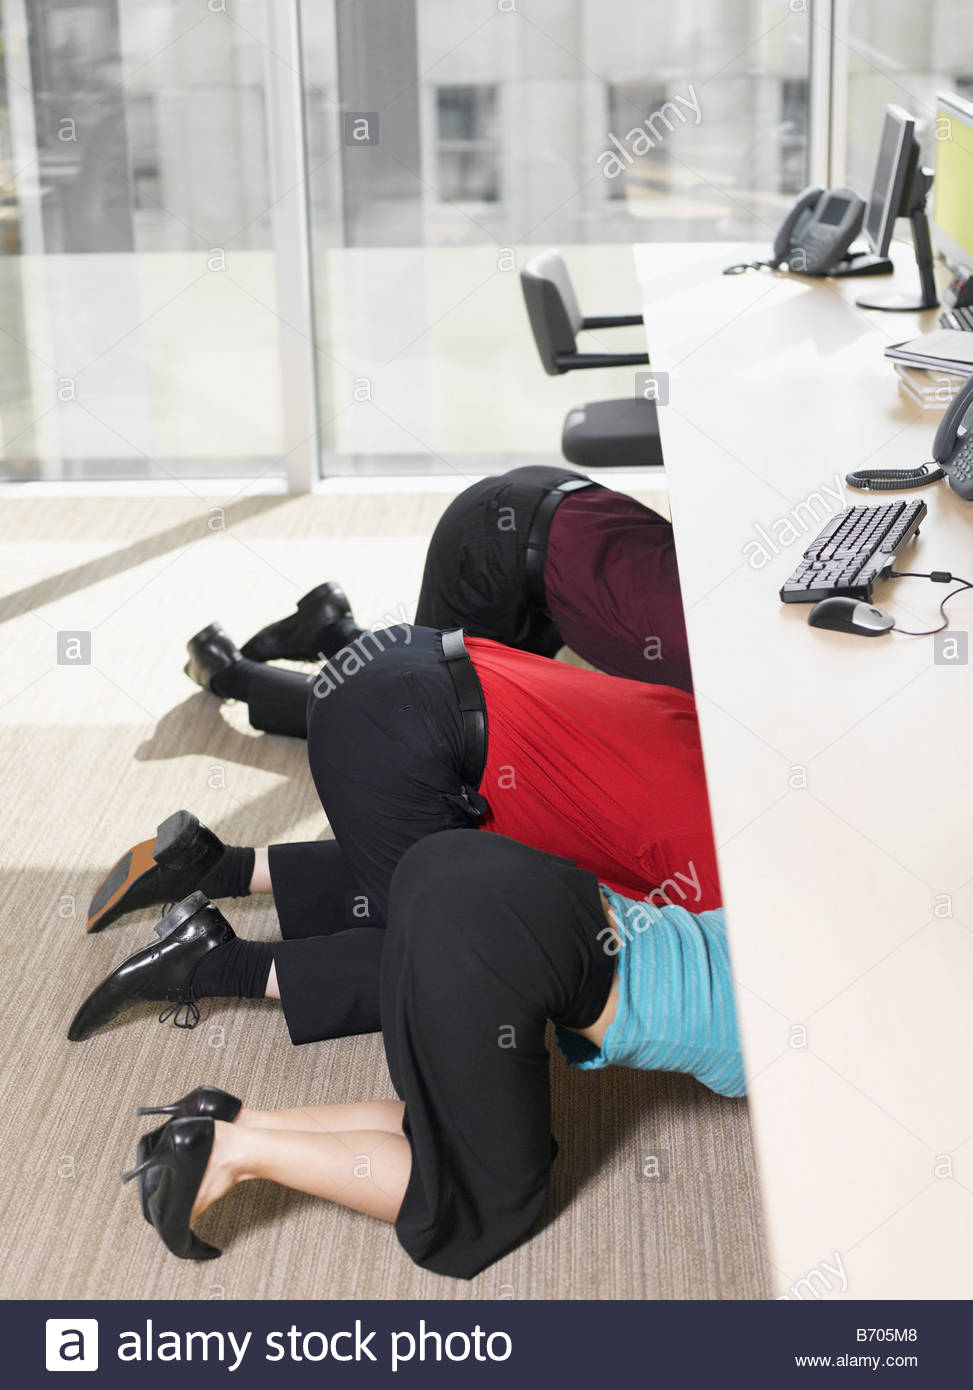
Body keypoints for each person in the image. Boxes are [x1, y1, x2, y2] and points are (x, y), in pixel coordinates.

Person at [119, 833, 745, 1278]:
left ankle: (233, 1121)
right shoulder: (801, 1045)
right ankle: (233, 1154)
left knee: (446, 1132)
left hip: (471, 866)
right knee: (478, 1203)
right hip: (497, 946)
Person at [72, 629, 721, 1046]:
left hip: (408, 661)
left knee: (466, 873)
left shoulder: (714, 730)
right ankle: (214, 961)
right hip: (408, 754)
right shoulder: (716, 871)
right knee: (466, 951)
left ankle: (212, 868)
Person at [180, 465, 692, 744]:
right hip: (494, 546)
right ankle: (230, 672)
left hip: (557, 513)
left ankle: (331, 631)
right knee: (409, 723)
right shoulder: (720, 672)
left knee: (453, 692)